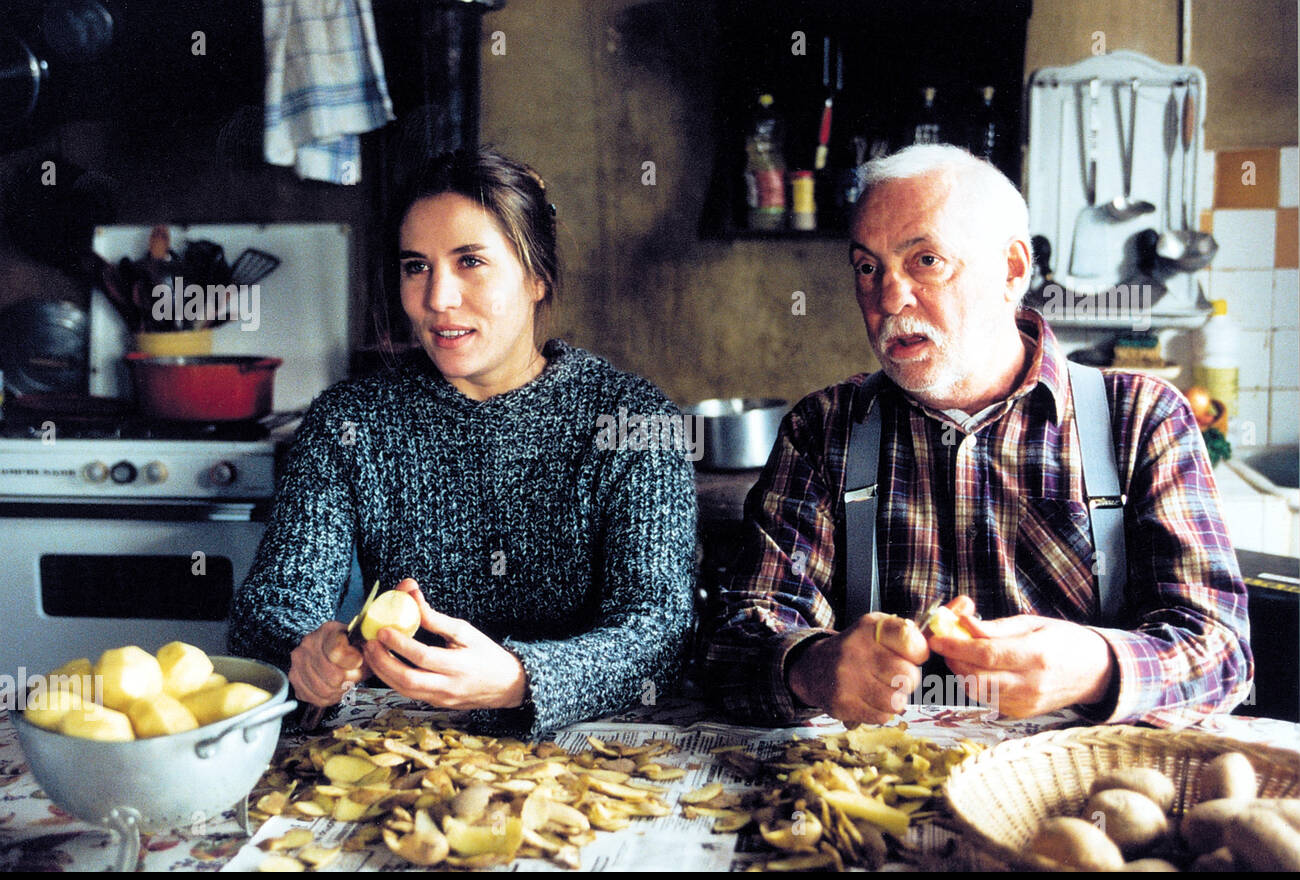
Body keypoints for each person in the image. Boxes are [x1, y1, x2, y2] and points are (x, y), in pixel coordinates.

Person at [704, 143, 1252, 729]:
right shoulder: (824, 430)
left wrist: (1096, 664)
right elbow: (733, 643)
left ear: (1012, 269)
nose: (888, 298)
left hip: (1074, 793)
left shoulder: (1141, 419)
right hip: (883, 790)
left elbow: (1221, 651)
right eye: (868, 267)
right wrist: (811, 666)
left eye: (926, 261)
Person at [229, 147, 697, 738]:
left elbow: (662, 631)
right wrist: (305, 652)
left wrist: (521, 679)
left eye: (470, 261)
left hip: (594, 754)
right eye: (416, 266)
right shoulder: (350, 423)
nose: (437, 299)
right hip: (406, 756)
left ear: (537, 276)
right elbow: (267, 611)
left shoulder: (633, 421)